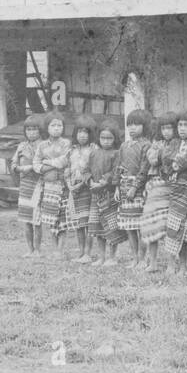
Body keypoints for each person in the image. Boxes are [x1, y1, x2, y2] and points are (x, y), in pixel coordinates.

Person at [163, 110, 187, 276]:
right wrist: (176, 163)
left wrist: (179, 162)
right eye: (180, 125)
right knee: (173, 228)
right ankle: (175, 265)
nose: (182, 128)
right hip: (176, 191)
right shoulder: (173, 143)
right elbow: (165, 160)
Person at [139, 112, 179, 272]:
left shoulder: (179, 144)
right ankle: (153, 262)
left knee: (171, 227)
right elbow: (153, 160)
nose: (166, 132)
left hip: (172, 187)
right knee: (151, 225)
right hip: (155, 187)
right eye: (164, 128)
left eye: (170, 128)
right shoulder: (156, 144)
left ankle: (171, 263)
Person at [116, 109, 153, 267]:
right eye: (129, 125)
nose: (132, 128)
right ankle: (134, 258)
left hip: (139, 189)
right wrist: (118, 187)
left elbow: (144, 169)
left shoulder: (146, 145)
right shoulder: (124, 145)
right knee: (129, 226)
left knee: (140, 226)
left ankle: (143, 258)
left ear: (144, 126)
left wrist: (135, 187)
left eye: (136, 124)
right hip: (124, 187)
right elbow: (120, 167)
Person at [33, 113, 72, 257]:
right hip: (48, 186)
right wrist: (49, 165)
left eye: (59, 125)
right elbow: (36, 166)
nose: (56, 128)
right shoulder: (42, 145)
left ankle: (60, 250)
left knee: (62, 220)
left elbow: (64, 161)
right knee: (51, 220)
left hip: (63, 186)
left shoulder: (66, 143)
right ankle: (54, 249)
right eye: (53, 125)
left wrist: (47, 162)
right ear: (47, 127)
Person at [88, 120, 123, 266]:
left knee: (110, 226)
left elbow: (116, 171)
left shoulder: (116, 153)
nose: (106, 141)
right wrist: (89, 180)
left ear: (115, 139)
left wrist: (104, 181)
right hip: (95, 195)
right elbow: (87, 169)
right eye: (103, 138)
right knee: (97, 227)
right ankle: (101, 256)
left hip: (108, 194)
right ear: (98, 138)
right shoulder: (94, 153)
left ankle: (112, 257)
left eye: (109, 138)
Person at [65, 115, 97, 263]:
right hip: (74, 189)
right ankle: (81, 251)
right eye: (79, 132)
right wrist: (69, 185)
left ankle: (88, 253)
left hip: (87, 189)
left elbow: (93, 171)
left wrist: (81, 184)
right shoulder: (72, 150)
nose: (82, 135)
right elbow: (66, 169)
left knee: (88, 222)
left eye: (86, 132)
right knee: (78, 223)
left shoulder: (94, 150)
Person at [12, 114, 45, 257]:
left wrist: (31, 167)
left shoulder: (44, 145)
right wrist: (20, 168)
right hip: (25, 184)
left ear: (40, 130)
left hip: (39, 183)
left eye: (34, 129)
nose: (31, 132)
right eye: (28, 129)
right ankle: (29, 249)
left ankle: (37, 250)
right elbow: (13, 164)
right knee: (26, 219)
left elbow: (46, 164)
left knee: (36, 219)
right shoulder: (21, 146)